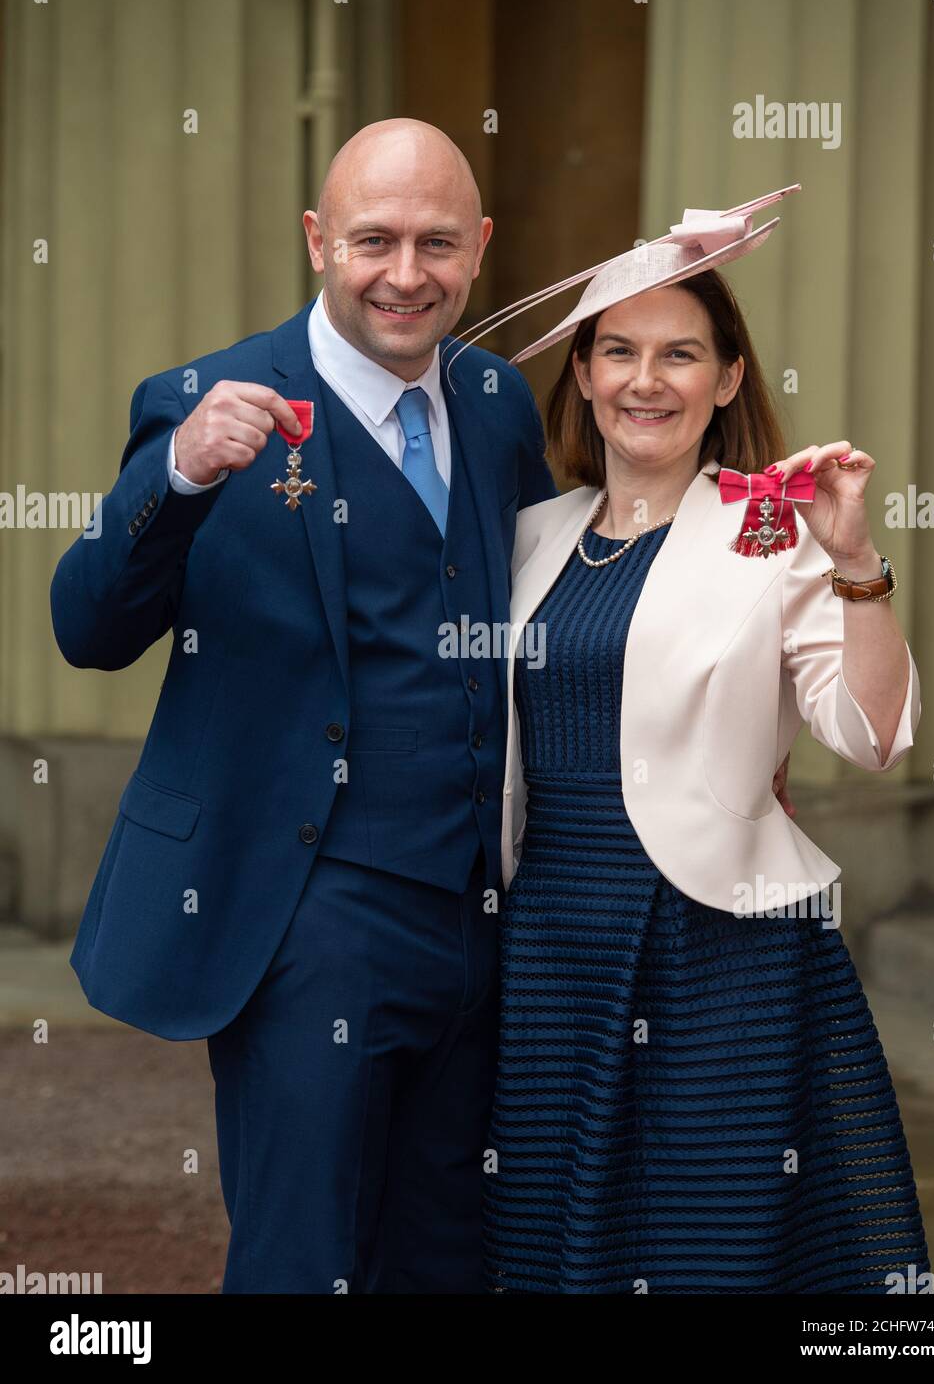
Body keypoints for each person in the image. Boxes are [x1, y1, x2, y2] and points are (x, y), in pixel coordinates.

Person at [49, 118, 562, 1294]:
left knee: (445, 1252)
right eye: (373, 240)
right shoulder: (205, 400)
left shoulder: (495, 403)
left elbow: (548, 609)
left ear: (480, 247)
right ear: (317, 239)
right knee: (303, 1258)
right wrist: (175, 473)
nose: (405, 274)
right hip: (302, 919)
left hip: (478, 915)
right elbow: (86, 628)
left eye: (438, 243)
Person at [476, 186, 931, 1293]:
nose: (645, 380)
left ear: (727, 377)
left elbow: (871, 735)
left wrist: (857, 560)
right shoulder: (527, 536)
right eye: (618, 351)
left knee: (711, 1246)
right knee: (553, 1236)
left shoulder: (770, 529)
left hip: (721, 944)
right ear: (581, 372)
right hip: (549, 939)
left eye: (680, 354)